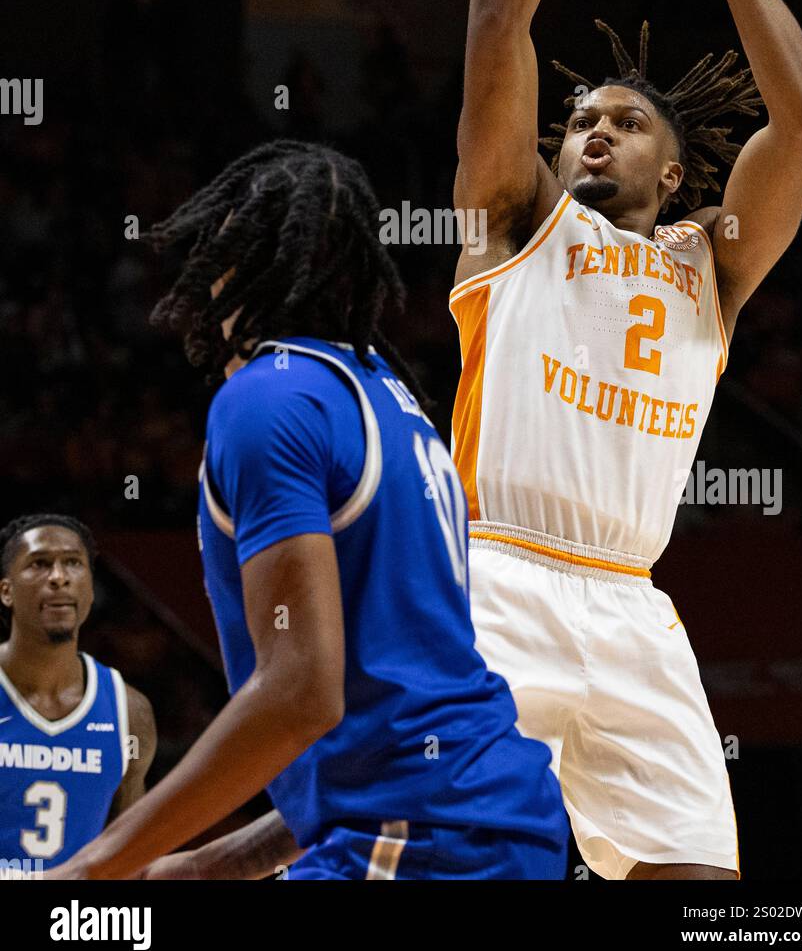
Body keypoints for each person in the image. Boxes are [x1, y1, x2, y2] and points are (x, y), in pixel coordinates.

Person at [449, 0, 802, 880]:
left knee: (704, 890)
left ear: (676, 170)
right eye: (576, 120)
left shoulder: (709, 263)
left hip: (631, 607)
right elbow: (493, 16)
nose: (591, 132)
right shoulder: (511, 217)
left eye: (622, 120)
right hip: (492, 582)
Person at [48, 140, 568, 881]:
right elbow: (366, 736)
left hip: (423, 841)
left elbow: (300, 695)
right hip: (483, 823)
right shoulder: (389, 397)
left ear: (232, 271)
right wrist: (203, 866)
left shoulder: (266, 399)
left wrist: (93, 868)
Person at [0, 514, 156, 875]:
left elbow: (129, 858)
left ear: (88, 588)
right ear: (6, 590)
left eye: (73, 563)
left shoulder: (128, 712)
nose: (58, 577)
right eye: (39, 564)